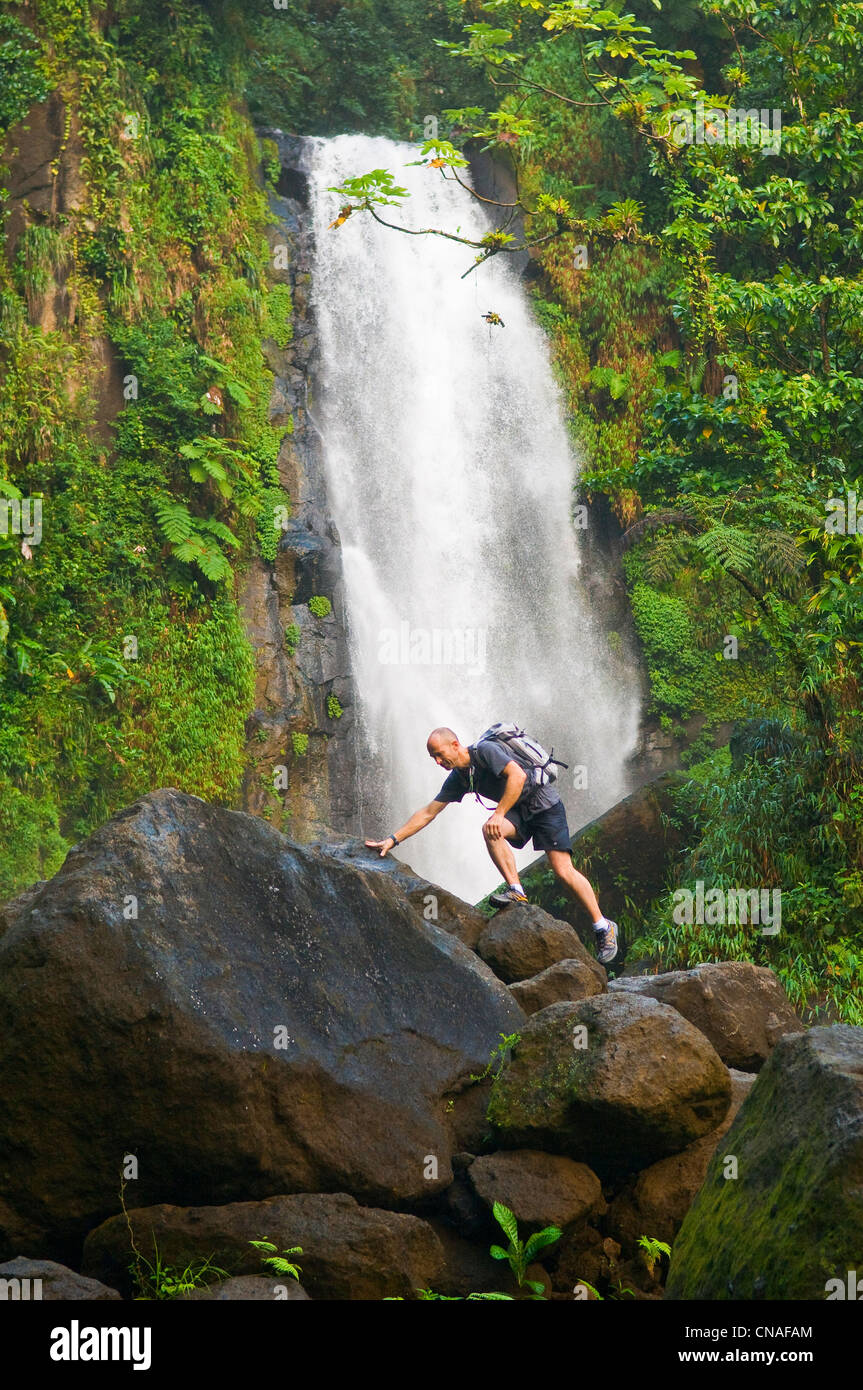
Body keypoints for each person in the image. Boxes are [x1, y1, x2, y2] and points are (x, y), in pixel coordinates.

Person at [365, 725, 619, 964]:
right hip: (518, 811)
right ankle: (516, 890)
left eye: (440, 755)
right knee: (490, 832)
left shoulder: (485, 751)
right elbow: (429, 812)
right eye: (433, 758)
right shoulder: (459, 778)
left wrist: (499, 814)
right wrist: (392, 839)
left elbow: (517, 776)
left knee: (563, 870)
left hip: (544, 806)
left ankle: (603, 926)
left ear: (455, 745)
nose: (438, 762)